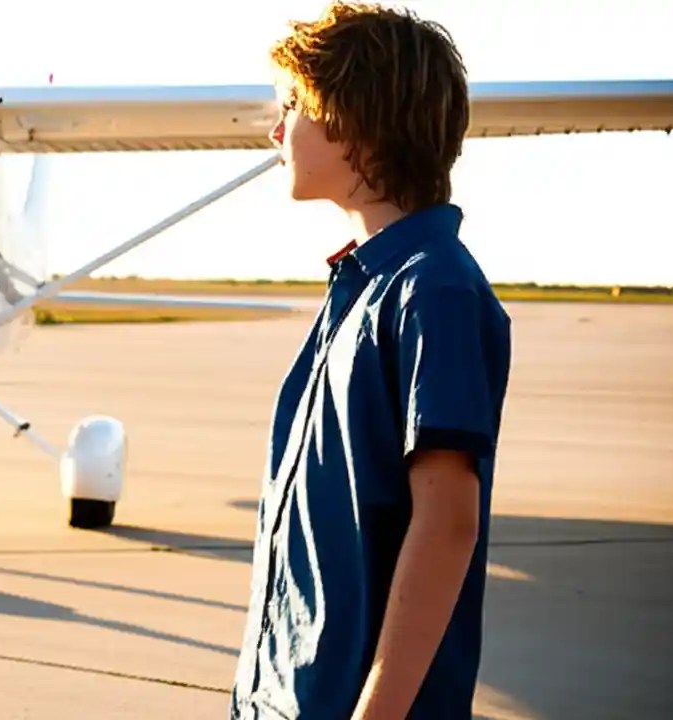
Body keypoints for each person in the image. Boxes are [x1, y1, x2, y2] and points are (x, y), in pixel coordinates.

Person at [230, 3, 513, 719]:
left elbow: (448, 523)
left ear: (351, 118)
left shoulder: (434, 289)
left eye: (291, 105)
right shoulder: (362, 287)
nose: (275, 128)